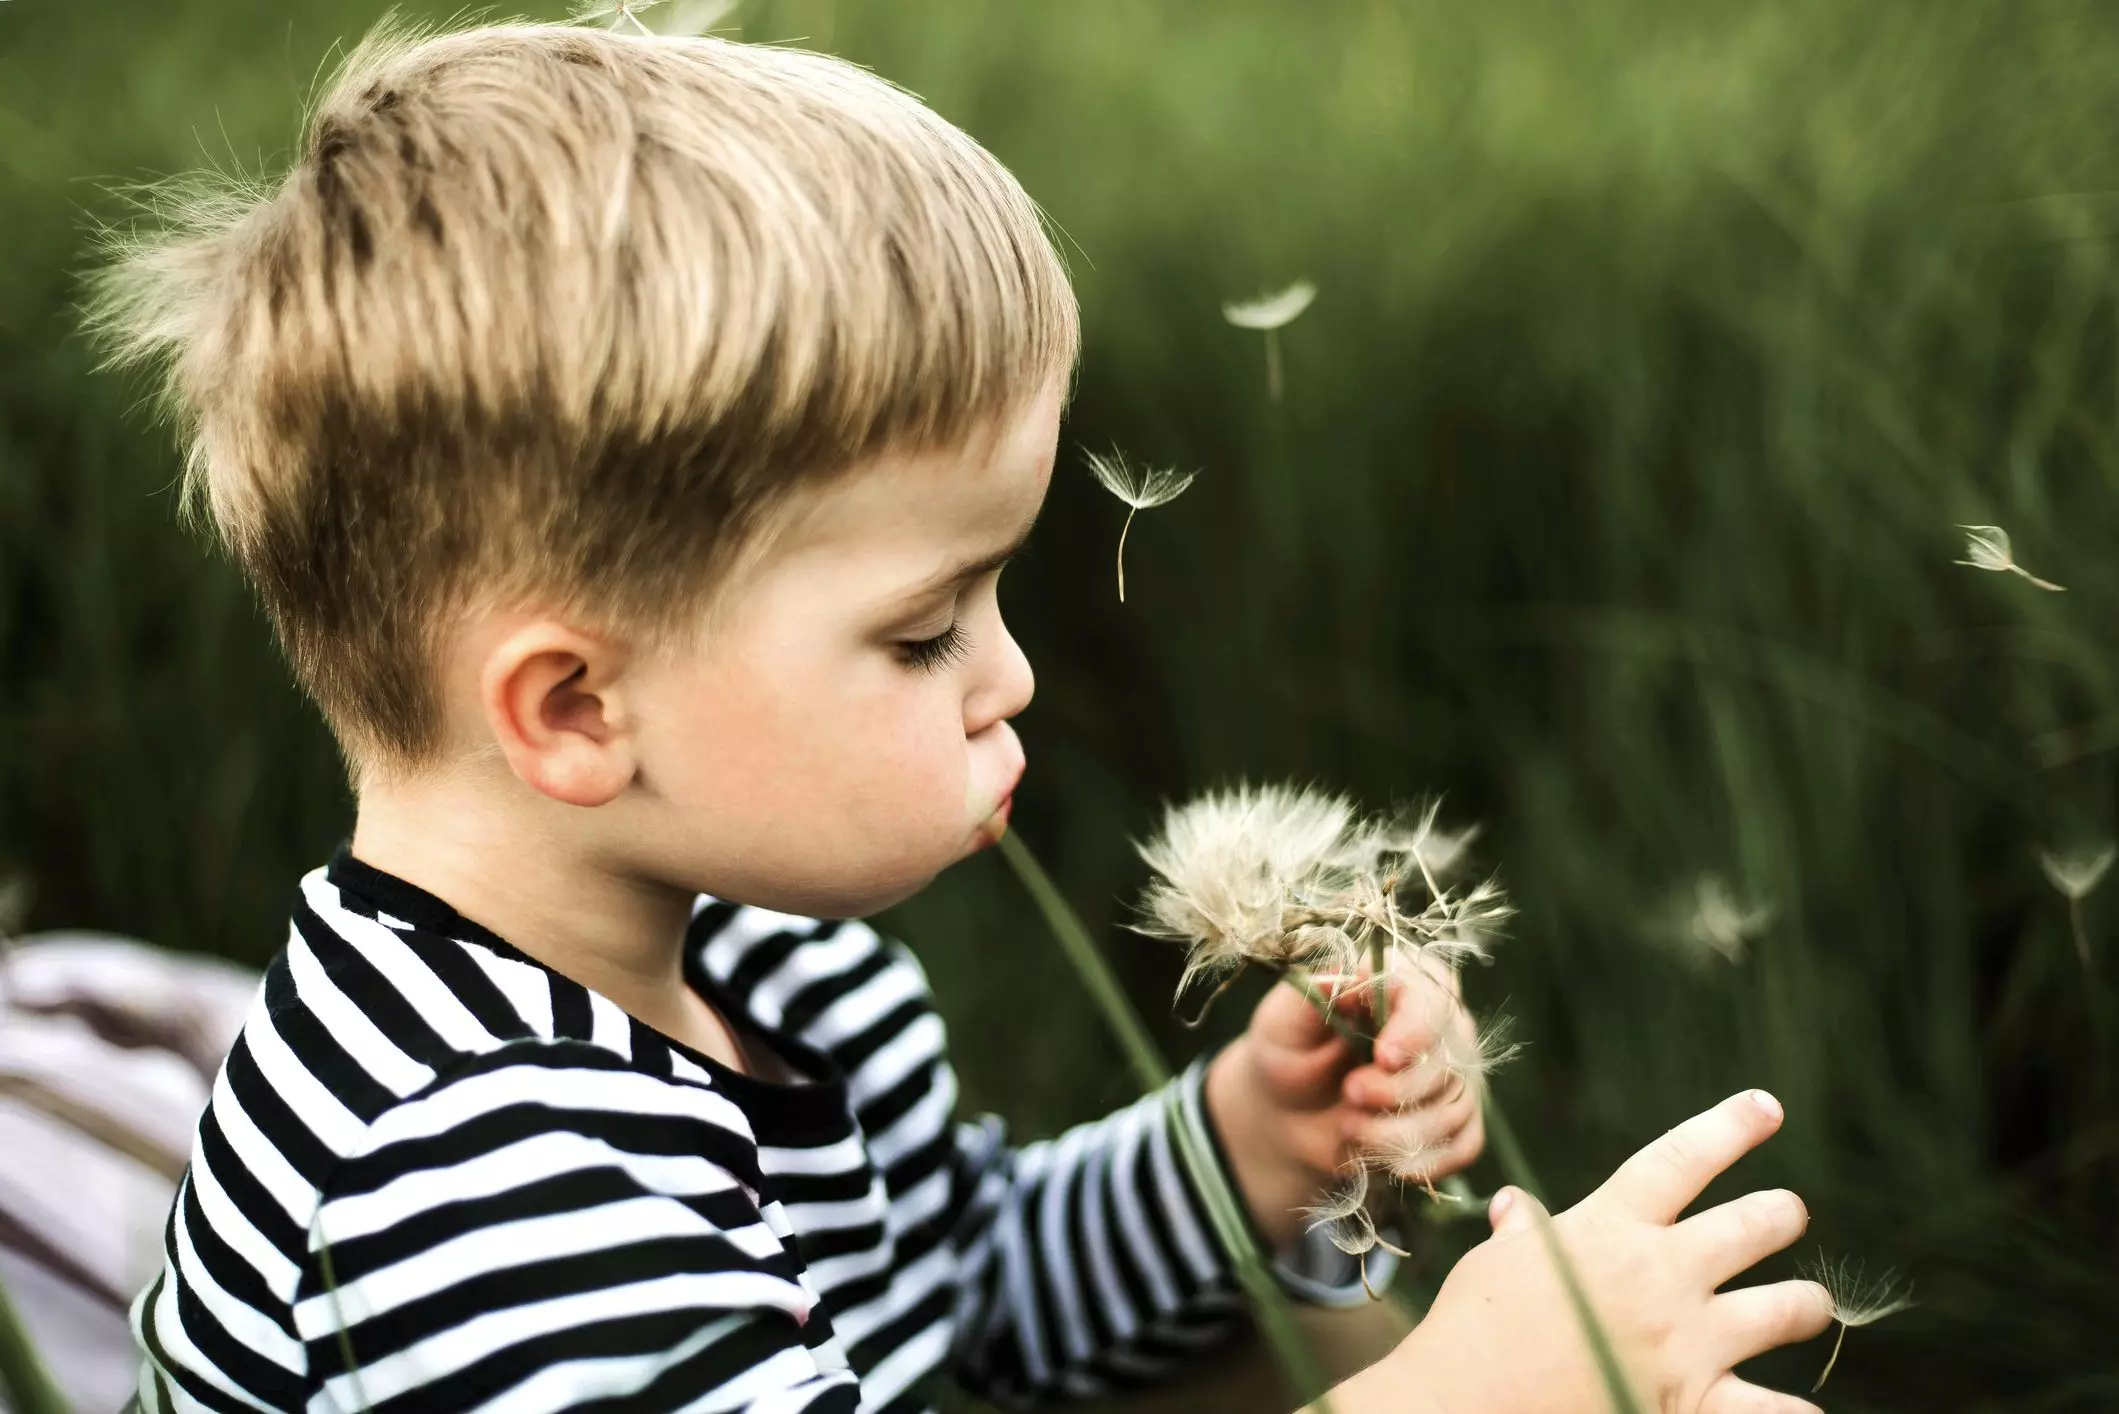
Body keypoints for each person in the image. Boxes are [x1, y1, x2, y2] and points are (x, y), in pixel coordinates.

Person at [88, 17, 1831, 1412]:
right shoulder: (490, 1195)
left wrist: (1239, 1142)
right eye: (922, 631)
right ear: (575, 707)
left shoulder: (767, 959)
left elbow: (964, 1281)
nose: (1012, 678)